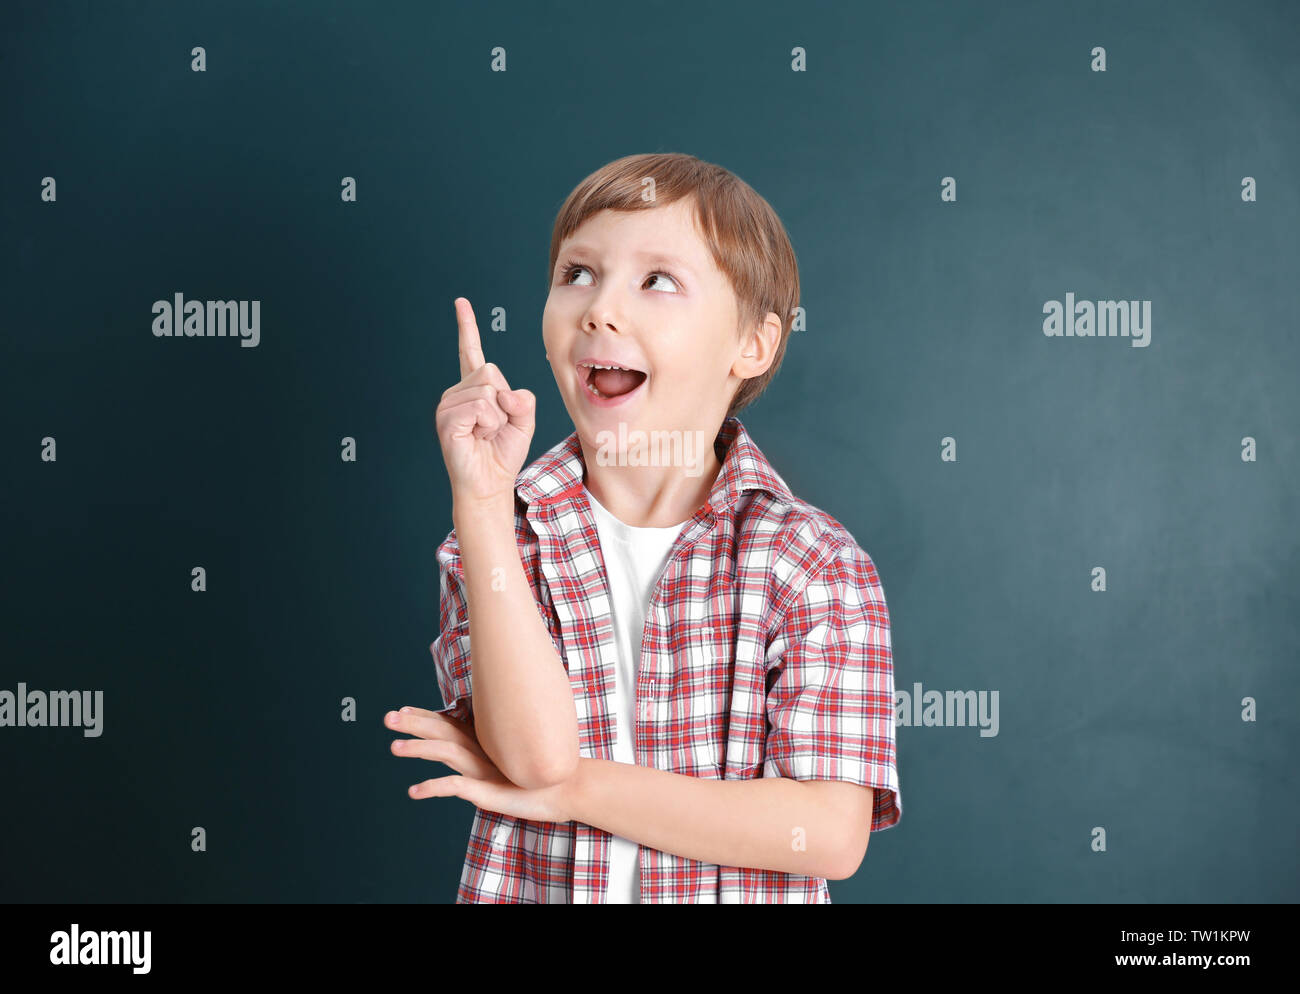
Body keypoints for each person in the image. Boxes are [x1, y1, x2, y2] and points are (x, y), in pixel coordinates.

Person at [387, 152, 901, 903]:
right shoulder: (502, 538)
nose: (598, 309)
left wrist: (576, 792)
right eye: (577, 274)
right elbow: (534, 758)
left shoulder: (813, 560)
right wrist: (482, 500)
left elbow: (826, 832)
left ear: (751, 345)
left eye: (657, 280)